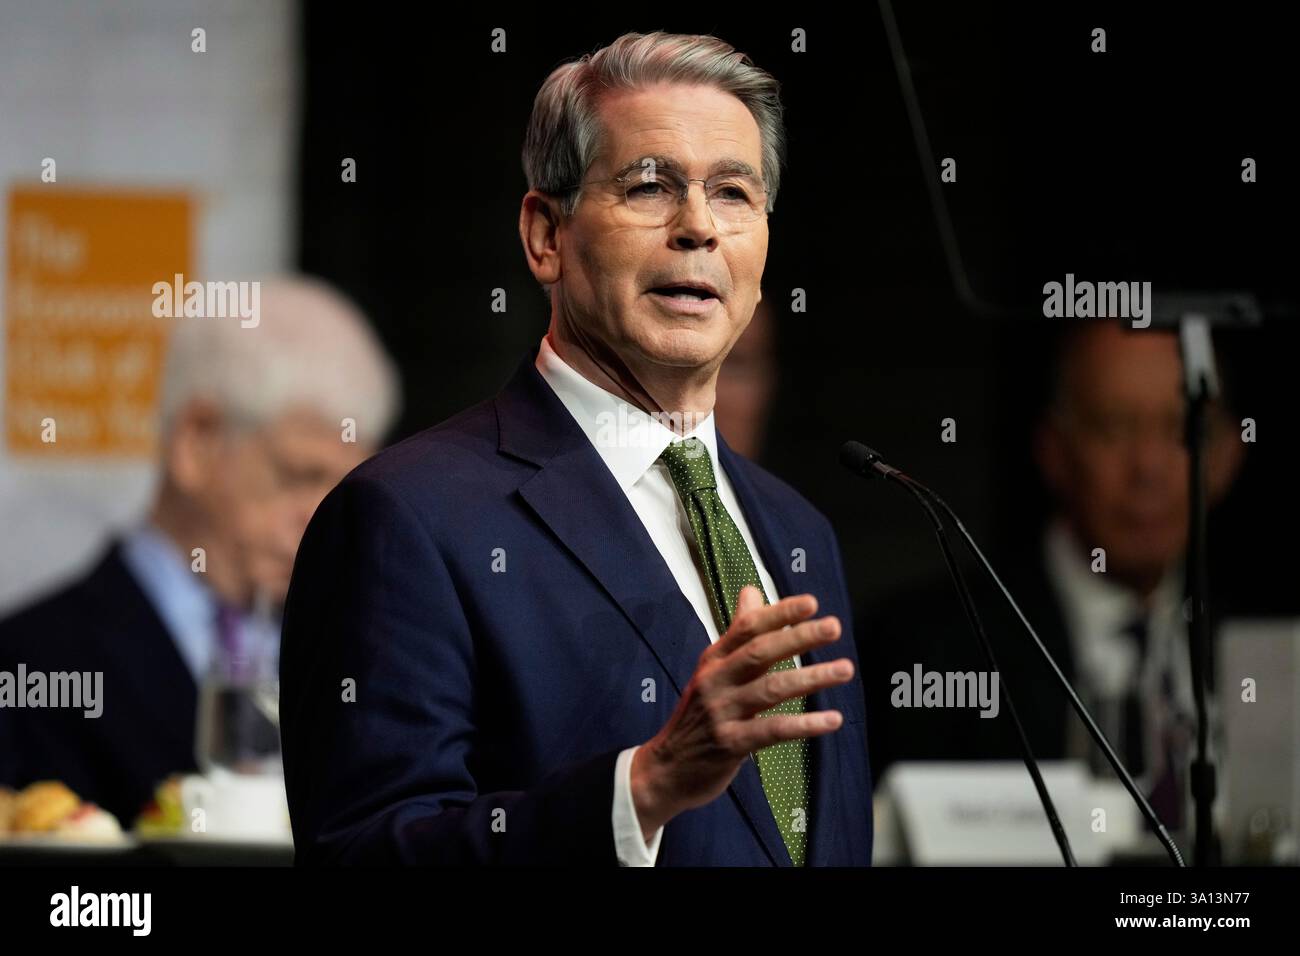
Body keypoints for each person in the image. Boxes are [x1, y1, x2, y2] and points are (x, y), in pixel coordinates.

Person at [279, 31, 871, 867]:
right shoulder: (408, 519)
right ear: (545, 237)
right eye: (649, 186)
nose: (698, 226)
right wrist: (645, 787)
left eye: (734, 193)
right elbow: (365, 852)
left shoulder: (798, 530)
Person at [0, 277, 400, 826]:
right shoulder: (26, 669)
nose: (325, 518)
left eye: (344, 487)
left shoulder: (374, 658)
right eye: (299, 477)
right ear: (197, 442)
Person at [864, 320, 1244, 836]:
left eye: (1179, 429)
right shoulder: (924, 648)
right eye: (1116, 427)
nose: (1149, 467)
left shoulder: (1259, 645)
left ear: (1225, 456)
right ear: (1054, 449)